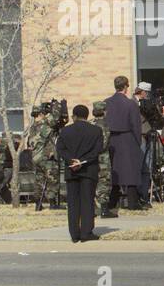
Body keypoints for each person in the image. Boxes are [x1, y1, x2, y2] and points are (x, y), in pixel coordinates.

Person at [56, 104, 104, 243]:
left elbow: (60, 149)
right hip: (88, 169)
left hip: (71, 170)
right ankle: (86, 232)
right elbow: (97, 150)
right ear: (87, 116)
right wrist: (82, 161)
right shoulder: (96, 131)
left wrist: (72, 161)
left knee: (73, 202)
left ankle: (74, 233)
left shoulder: (65, 131)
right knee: (87, 201)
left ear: (74, 116)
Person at [105, 75, 144, 211]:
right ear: (126, 87)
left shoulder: (106, 102)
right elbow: (136, 125)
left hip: (111, 139)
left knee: (114, 170)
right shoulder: (131, 104)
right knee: (130, 170)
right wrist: (137, 141)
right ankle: (132, 202)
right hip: (128, 138)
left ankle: (112, 201)